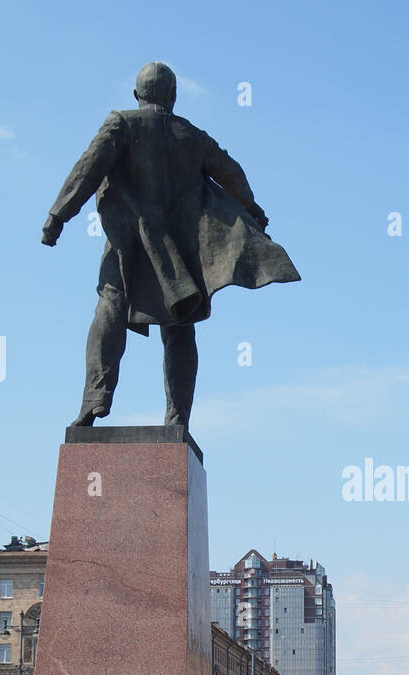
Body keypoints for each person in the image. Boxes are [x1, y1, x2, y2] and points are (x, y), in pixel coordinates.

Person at [42, 62, 300, 430]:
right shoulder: (191, 136)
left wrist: (57, 216)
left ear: (137, 95)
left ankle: (94, 399)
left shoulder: (122, 123)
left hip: (127, 243)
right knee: (180, 326)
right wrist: (252, 208)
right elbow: (232, 171)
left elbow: (87, 170)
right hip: (178, 251)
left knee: (111, 302)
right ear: (173, 97)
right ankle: (177, 417)